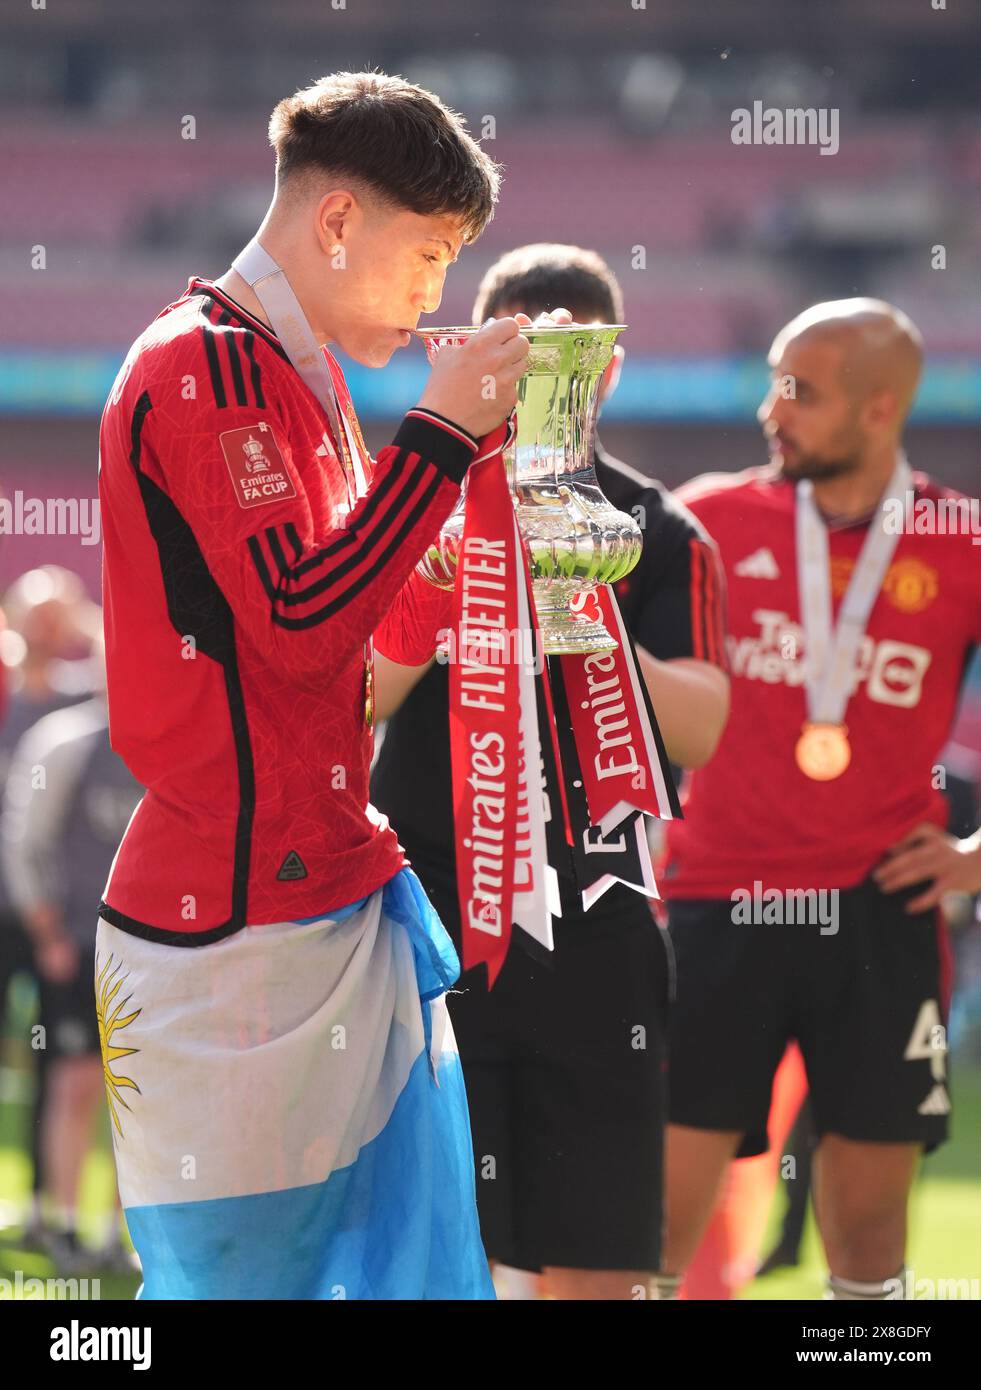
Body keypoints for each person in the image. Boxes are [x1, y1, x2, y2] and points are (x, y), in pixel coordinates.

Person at [96, 70, 531, 1299]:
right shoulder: (204, 367)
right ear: (338, 223)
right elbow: (297, 624)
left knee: (388, 1277)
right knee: (242, 1289)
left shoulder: (310, 374)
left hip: (326, 888)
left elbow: (365, 624)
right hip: (226, 926)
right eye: (431, 254)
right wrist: (440, 440)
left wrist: (476, 533)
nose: (437, 294)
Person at [371, 243, 730, 1300]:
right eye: (516, 353)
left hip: (599, 938)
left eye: (566, 356)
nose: (536, 382)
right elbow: (362, 701)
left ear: (607, 368)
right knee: (437, 1252)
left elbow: (705, 727)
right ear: (476, 355)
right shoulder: (417, 507)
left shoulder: (659, 531)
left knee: (596, 1266)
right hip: (436, 931)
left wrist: (586, 586)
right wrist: (446, 574)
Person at [661, 298, 981, 1300]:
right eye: (772, 379)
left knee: (870, 1227)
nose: (771, 408)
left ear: (880, 408)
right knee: (652, 1224)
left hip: (882, 914)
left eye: (800, 391)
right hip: (711, 904)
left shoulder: (961, 542)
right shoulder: (705, 519)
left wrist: (978, 856)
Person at [1, 633, 142, 1272]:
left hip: (145, 953)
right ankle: (61, 1226)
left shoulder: (165, 746)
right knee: (73, 1082)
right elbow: (25, 840)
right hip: (77, 946)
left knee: (133, 1094)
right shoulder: (65, 741)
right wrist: (48, 933)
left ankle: (114, 1234)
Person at [0, 566, 99, 1242]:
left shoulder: (77, 702)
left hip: (41, 909)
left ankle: (44, 1207)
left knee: (56, 1058)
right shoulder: (10, 695)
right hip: (11, 896)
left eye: (54, 619)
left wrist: (79, 615)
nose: (45, 628)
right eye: (35, 617)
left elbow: (114, 653)